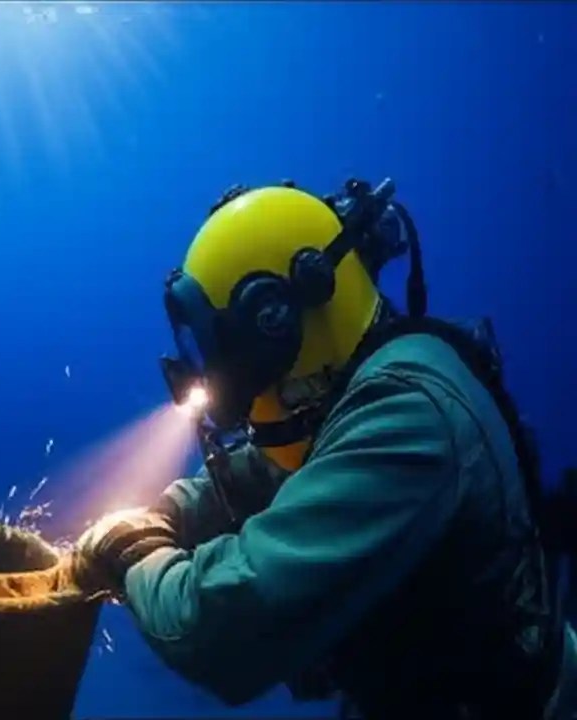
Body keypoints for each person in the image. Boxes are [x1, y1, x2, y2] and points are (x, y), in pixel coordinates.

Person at [68, 177, 577, 718]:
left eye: (216, 349)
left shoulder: (406, 418)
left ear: (275, 318)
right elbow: (265, 468)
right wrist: (164, 514)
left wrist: (134, 552)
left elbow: (217, 627)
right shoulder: (351, 391)